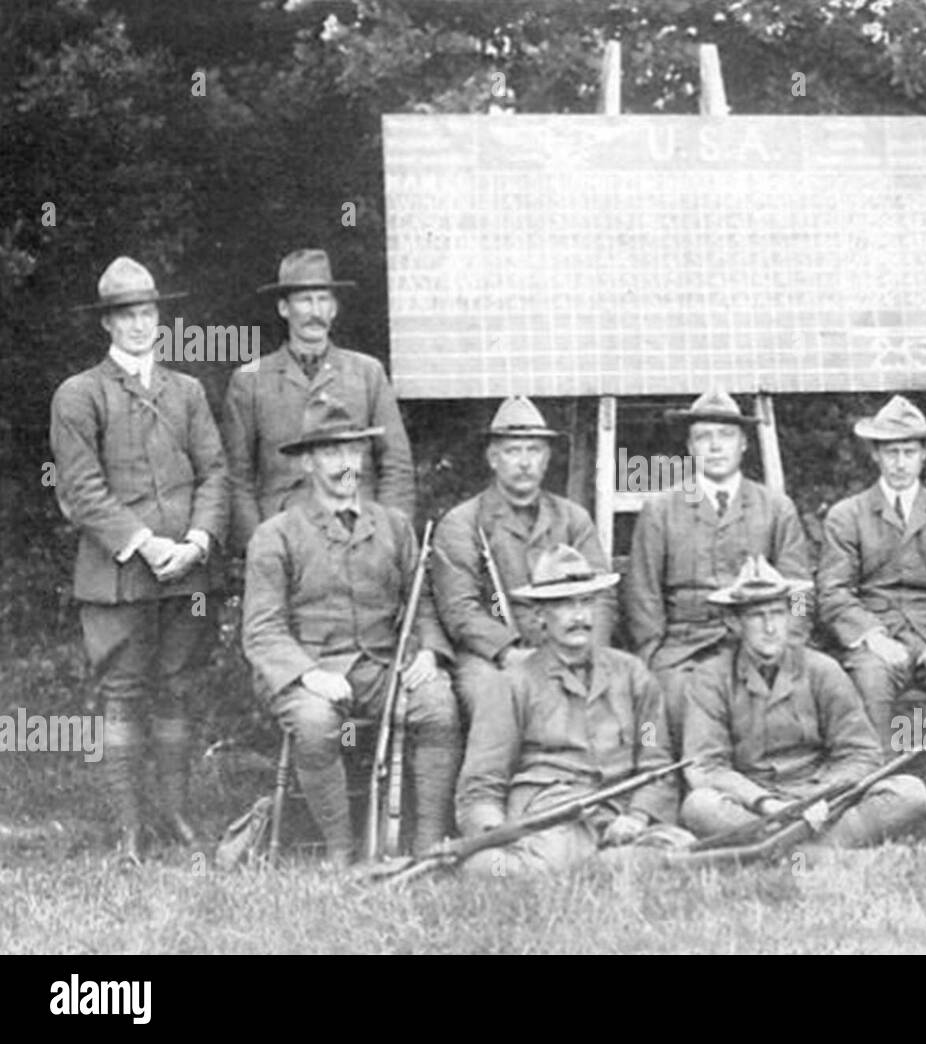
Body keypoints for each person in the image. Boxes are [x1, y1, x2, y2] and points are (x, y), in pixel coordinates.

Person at [50, 257, 229, 861]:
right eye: (125, 314)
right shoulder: (79, 395)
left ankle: (175, 815)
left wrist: (199, 541)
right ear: (106, 323)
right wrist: (147, 544)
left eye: (148, 312)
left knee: (178, 688)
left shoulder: (188, 391)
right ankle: (129, 829)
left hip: (188, 572)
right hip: (118, 576)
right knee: (123, 694)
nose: (138, 325)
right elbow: (81, 491)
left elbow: (216, 472)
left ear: (160, 317)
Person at [242, 396, 460, 868]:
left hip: (383, 666)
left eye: (354, 451)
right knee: (319, 724)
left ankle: (428, 846)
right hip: (308, 673)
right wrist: (308, 675)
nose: (347, 464)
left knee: (438, 705)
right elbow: (262, 629)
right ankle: (340, 849)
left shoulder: (394, 527)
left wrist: (428, 654)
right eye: (332, 453)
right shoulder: (276, 534)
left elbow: (422, 602)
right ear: (305, 462)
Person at [455, 545, 688, 875]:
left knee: (681, 850)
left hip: (617, 813)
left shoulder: (633, 676)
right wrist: (493, 835)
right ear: (539, 616)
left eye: (586, 602)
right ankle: (517, 866)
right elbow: (482, 781)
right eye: (564, 604)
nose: (579, 616)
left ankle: (603, 863)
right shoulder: (511, 685)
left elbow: (656, 759)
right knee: (544, 861)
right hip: (550, 813)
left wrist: (637, 817)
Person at [682, 556, 926, 847]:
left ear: (789, 617)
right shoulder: (710, 678)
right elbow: (707, 766)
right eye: (756, 616)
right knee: (700, 806)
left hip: (823, 796)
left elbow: (861, 752)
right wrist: (765, 803)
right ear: (735, 623)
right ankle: (823, 851)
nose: (770, 627)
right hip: (754, 804)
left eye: (777, 614)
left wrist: (824, 797)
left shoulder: (821, 669)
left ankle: (782, 848)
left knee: (910, 793)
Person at [625, 389, 811, 750]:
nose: (715, 446)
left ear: (743, 443)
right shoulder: (662, 509)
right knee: (677, 699)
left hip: (756, 638)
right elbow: (642, 593)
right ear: (690, 447)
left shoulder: (774, 507)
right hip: (684, 645)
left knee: (776, 702)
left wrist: (791, 642)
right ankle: (690, 790)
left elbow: (801, 592)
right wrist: (652, 655)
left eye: (725, 436)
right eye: (703, 437)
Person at [817, 396, 926, 766]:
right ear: (875, 455)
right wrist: (874, 638)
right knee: (871, 678)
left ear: (924, 454)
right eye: (890, 451)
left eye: (908, 451)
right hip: (877, 632)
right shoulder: (847, 514)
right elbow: (833, 591)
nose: (899, 462)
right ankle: (882, 783)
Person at [432, 396, 614, 719]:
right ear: (492, 458)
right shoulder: (462, 523)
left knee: (612, 692)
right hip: (492, 654)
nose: (525, 462)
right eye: (513, 451)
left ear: (546, 459)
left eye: (534, 450)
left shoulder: (573, 519)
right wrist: (506, 651)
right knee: (492, 695)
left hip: (567, 643)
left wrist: (585, 650)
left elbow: (601, 596)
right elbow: (460, 608)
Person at [223, 248, 415, 554]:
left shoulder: (367, 373)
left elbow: (396, 466)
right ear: (284, 308)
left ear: (335, 308)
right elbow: (238, 477)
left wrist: (390, 537)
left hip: (358, 533)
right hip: (285, 538)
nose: (315, 311)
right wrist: (259, 546)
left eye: (323, 299)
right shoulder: (250, 380)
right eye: (304, 300)